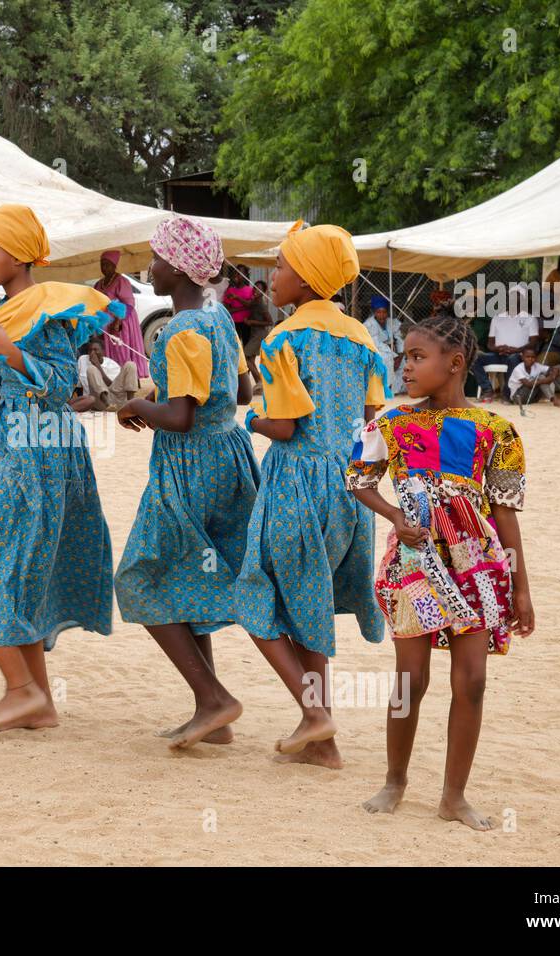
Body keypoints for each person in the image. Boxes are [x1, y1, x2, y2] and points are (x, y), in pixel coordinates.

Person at [347, 312, 534, 831]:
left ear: (454, 364)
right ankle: (394, 781)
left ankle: (453, 797)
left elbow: (504, 513)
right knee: (411, 678)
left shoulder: (498, 430)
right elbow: (358, 478)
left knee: (471, 682)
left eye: (415, 357)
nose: (404, 366)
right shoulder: (391, 423)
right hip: (416, 565)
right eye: (404, 355)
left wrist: (521, 588)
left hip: (477, 564)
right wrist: (394, 517)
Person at [0, 203, 117, 731]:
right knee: (22, 572)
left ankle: (21, 689)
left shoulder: (43, 307)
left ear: (19, 253)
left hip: (37, 452)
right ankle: (37, 701)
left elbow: (63, 385)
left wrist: (9, 352)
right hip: (21, 446)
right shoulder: (9, 309)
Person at [233, 221, 387, 768]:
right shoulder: (363, 340)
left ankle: (314, 711)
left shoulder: (282, 340)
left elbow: (286, 426)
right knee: (310, 603)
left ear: (306, 278)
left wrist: (250, 417)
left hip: (295, 482)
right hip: (347, 486)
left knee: (253, 596)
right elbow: (373, 421)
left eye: (279, 266)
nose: (271, 276)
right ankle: (323, 744)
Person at [113, 216, 259, 749]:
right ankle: (211, 711)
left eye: (154, 259)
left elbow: (179, 418)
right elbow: (242, 392)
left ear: (176, 268)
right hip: (231, 456)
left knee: (138, 577)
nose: (148, 267)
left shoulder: (180, 330)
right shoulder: (218, 318)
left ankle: (214, 699)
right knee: (188, 579)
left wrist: (137, 405)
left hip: (187, 465)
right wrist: (168, 394)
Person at [94, 250, 148, 378]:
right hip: (106, 323)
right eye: (102, 264)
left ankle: (127, 379)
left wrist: (117, 322)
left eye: (107, 264)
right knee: (109, 350)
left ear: (114, 265)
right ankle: (113, 377)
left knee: (122, 350)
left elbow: (129, 303)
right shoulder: (98, 283)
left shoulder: (121, 281)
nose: (104, 267)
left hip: (122, 321)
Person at [71, 337, 139, 412]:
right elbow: (77, 385)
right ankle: (107, 404)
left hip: (116, 399)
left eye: (95, 350)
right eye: (90, 350)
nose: (92, 353)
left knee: (130, 365)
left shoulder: (111, 364)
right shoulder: (82, 360)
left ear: (103, 351)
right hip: (98, 401)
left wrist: (98, 365)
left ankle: (131, 403)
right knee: (91, 369)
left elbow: (113, 386)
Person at [363, 295, 406, 394]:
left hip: (393, 352)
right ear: (374, 313)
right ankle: (386, 389)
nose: (382, 315)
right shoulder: (369, 325)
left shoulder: (393, 323)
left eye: (384, 312)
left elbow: (400, 340)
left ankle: (396, 390)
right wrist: (393, 357)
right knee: (386, 360)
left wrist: (399, 356)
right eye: (379, 312)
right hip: (377, 352)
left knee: (404, 365)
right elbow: (376, 344)